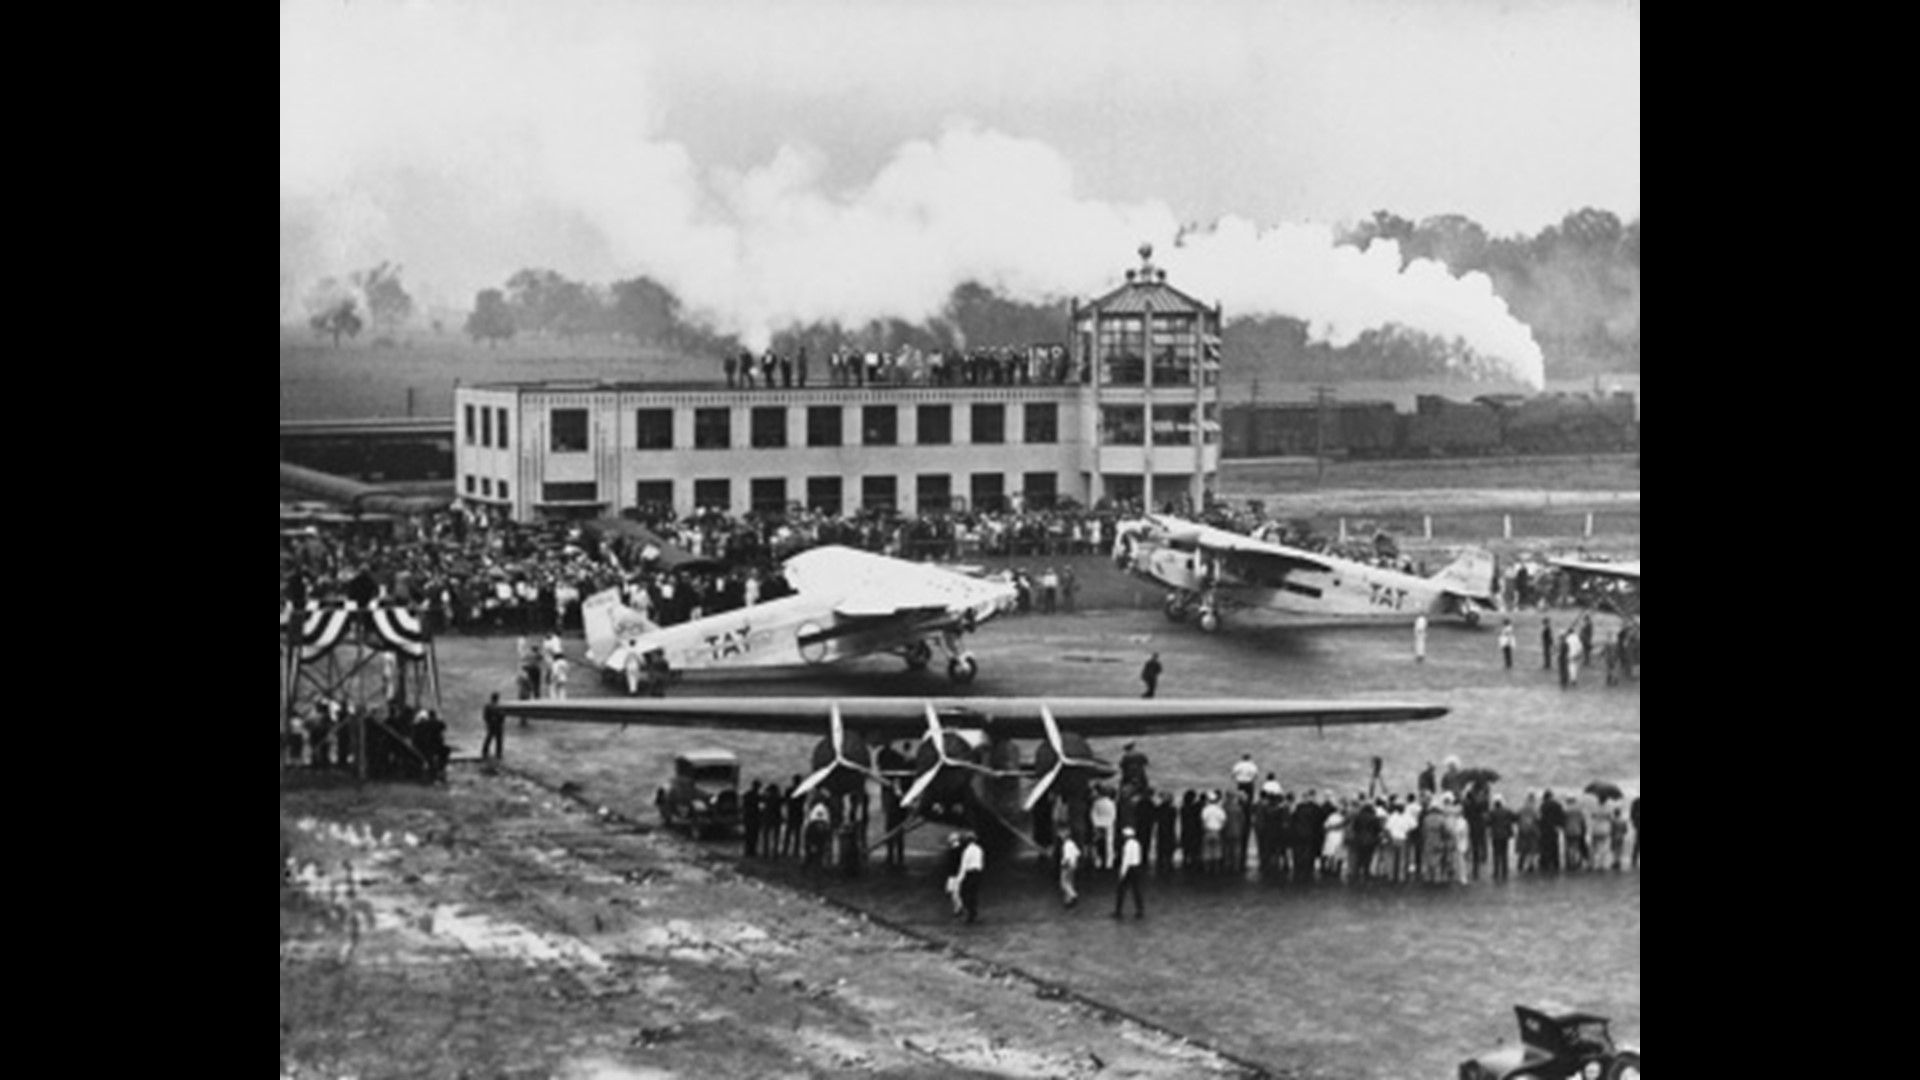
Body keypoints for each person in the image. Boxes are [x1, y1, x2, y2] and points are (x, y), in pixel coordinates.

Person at [1113, 827, 1145, 918]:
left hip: (1130, 868)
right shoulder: (1137, 844)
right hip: (1137, 867)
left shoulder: (1127, 845)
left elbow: (1126, 860)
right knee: (1137, 890)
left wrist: (1122, 872)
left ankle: (1118, 911)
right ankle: (1140, 910)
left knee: (1121, 890)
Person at [956, 832, 985, 923]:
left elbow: (964, 865)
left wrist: (960, 878)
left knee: (966, 893)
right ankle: (973, 911)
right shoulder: (979, 849)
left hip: (970, 873)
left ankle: (970, 912)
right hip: (978, 872)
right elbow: (981, 862)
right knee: (974, 893)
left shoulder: (967, 851)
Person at [1057, 834, 1081, 907]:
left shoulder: (1066, 845)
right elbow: (1078, 853)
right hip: (1074, 865)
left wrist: (1063, 863)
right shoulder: (1072, 843)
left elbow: (1067, 857)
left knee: (1063, 883)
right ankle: (1068, 900)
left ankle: (1073, 895)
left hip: (1067, 866)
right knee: (1070, 882)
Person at [480, 692, 505, 761]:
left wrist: (488, 722)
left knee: (489, 738)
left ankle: (485, 751)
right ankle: (498, 753)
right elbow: (502, 716)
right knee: (498, 740)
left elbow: (485, 716)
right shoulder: (499, 706)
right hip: (498, 725)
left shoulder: (488, 706)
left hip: (492, 725)